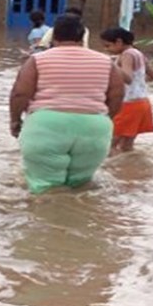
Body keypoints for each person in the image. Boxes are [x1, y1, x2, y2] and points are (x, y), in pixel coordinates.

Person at [9, 15, 125, 193]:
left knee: (45, 187)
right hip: (94, 127)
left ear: (54, 37)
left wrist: (15, 121)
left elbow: (20, 93)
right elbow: (117, 95)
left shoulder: (38, 60)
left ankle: (48, 219)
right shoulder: (106, 62)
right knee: (81, 186)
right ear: (82, 37)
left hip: (46, 125)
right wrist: (105, 119)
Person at [100, 26, 153, 156]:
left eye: (108, 46)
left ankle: (113, 171)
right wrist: (139, 84)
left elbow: (128, 78)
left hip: (128, 104)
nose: (106, 49)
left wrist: (110, 64)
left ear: (119, 42)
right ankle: (128, 169)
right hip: (143, 102)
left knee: (110, 144)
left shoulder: (126, 55)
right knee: (127, 145)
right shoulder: (138, 53)